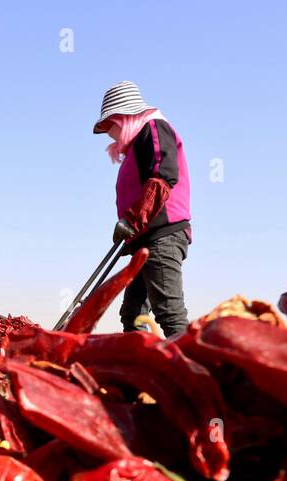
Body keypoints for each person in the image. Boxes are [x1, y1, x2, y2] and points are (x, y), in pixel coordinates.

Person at [93, 81, 192, 337]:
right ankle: (138, 369)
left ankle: (192, 372)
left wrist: (133, 220)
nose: (108, 133)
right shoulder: (137, 143)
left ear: (123, 116)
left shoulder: (154, 128)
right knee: (134, 312)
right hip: (146, 239)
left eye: (109, 125)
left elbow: (163, 175)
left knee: (169, 312)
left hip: (163, 237)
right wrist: (132, 236)